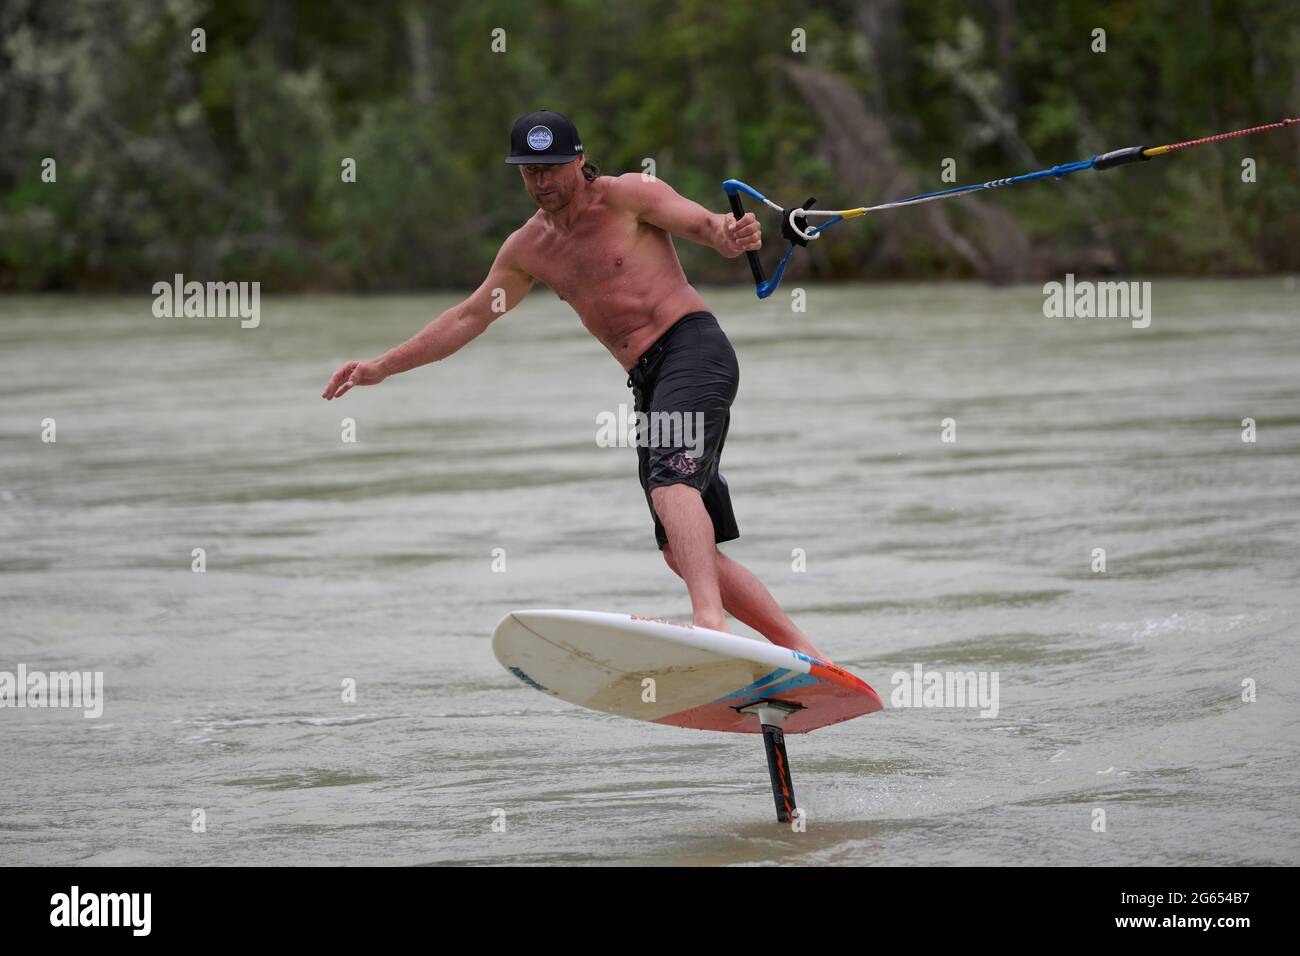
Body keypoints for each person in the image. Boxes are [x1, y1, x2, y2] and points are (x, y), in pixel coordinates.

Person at [323, 109, 826, 659]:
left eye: (552, 168)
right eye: (529, 172)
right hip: (648, 380)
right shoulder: (529, 249)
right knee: (680, 549)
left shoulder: (631, 195)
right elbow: (468, 318)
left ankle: (708, 624)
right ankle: (804, 652)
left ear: (580, 160)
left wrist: (735, 235)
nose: (541, 182)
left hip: (693, 347)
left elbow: (710, 227)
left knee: (669, 486)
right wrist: (381, 367)